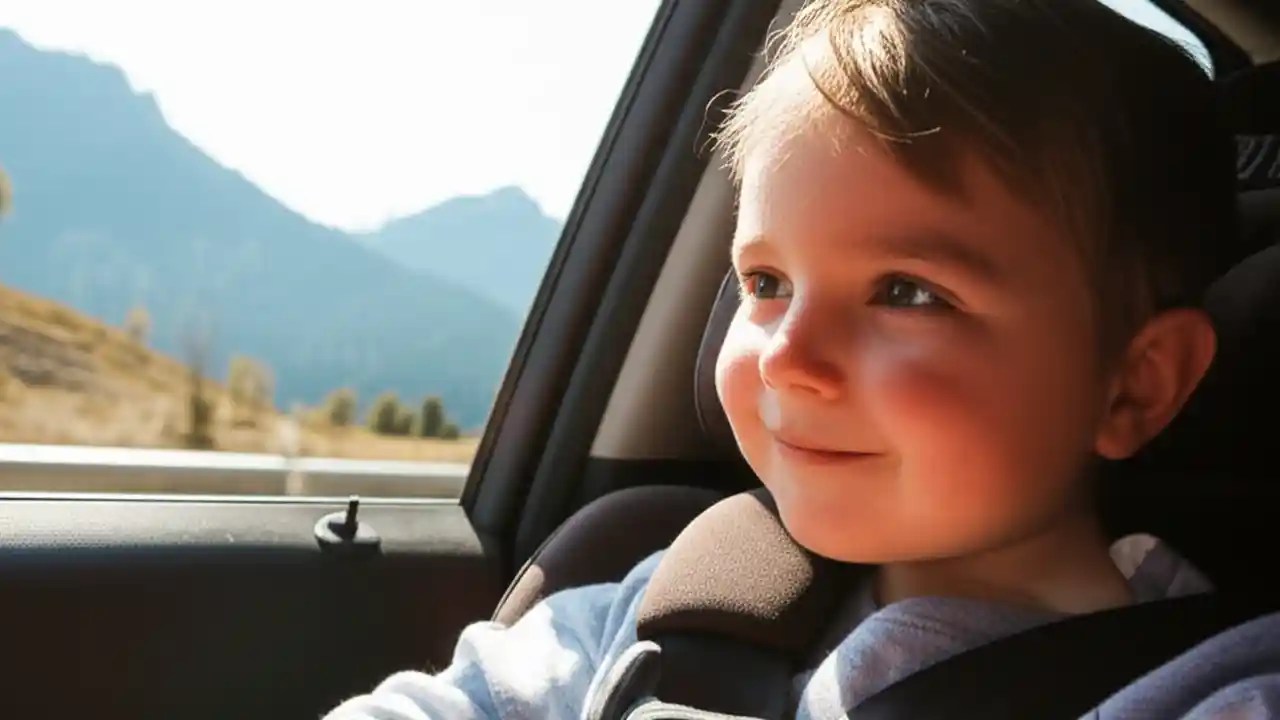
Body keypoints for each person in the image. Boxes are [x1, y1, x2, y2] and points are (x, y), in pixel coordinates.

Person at [326, 1, 1278, 718]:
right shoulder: (669, 604)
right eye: (767, 283)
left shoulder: (1212, 690)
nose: (788, 357)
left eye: (907, 292)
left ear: (1135, 383)